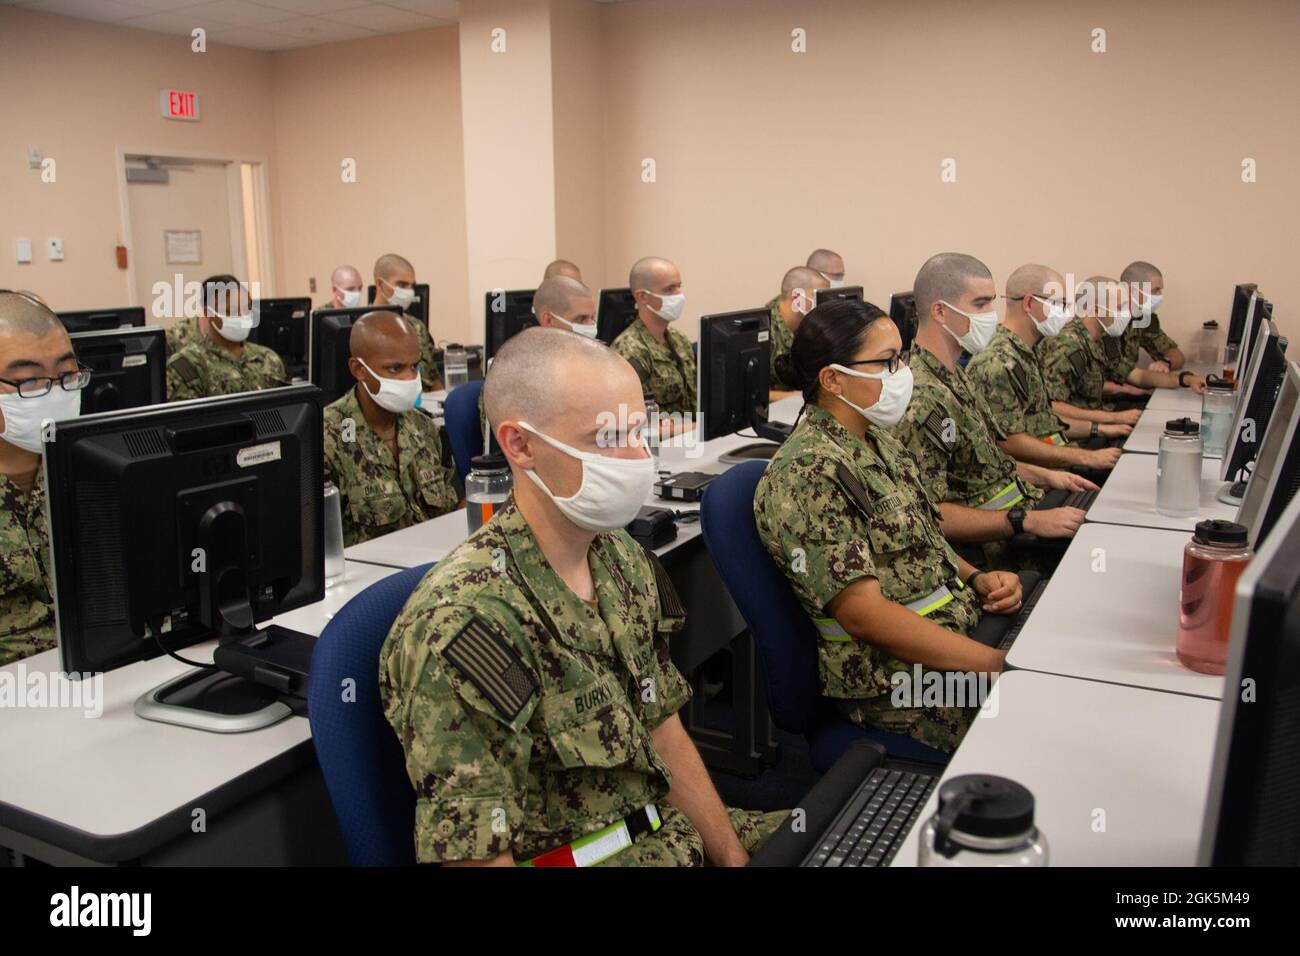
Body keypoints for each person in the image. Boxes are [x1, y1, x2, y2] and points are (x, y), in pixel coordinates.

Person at [380, 327, 788, 866]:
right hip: (591, 854)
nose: (634, 458)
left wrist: (732, 859)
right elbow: (478, 852)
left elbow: (661, 726)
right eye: (606, 437)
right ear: (519, 445)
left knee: (862, 834)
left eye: (638, 431)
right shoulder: (467, 625)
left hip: (665, 832)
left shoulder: (620, 556)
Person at [754, 300, 1021, 754]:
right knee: (1048, 722)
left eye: (900, 358)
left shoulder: (878, 442)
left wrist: (975, 576)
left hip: (952, 638)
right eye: (885, 362)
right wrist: (996, 665)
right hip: (894, 686)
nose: (901, 372)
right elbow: (864, 615)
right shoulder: (807, 472)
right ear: (832, 379)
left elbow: (924, 535)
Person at [895, 254, 1096, 571]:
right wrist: (1026, 521)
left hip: (1020, 522)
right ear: (940, 311)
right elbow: (932, 514)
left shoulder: (955, 378)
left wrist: (1049, 476)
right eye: (980, 304)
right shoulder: (923, 398)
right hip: (995, 555)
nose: (992, 315)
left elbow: (985, 466)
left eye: (991, 303)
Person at [966, 264, 1127, 472]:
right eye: (1059, 304)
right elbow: (1008, 441)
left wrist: (1099, 430)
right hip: (1034, 474)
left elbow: (1044, 420)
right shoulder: (997, 361)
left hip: (1053, 458)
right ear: (1030, 303)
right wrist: (1084, 456)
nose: (1065, 312)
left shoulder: (1024, 350)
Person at [0, 291, 87, 665]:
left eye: (67, 375)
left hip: (100, 680)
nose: (55, 393)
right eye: (29, 382)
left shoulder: (91, 471)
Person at [323, 311, 461, 547]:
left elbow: (451, 507)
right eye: (395, 369)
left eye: (414, 366)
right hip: (371, 577)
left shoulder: (425, 428)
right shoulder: (328, 438)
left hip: (431, 563)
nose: (410, 378)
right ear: (359, 369)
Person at [1039, 276, 1206, 424]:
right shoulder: (1067, 345)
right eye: (1120, 308)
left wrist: (1186, 380)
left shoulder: (1102, 339)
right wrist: (1113, 419)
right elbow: (1053, 405)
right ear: (1096, 310)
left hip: (1097, 421)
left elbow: (1136, 375)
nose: (1127, 314)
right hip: (1077, 433)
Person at [165, 275, 288, 402]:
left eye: (246, 309)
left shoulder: (269, 358)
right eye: (232, 311)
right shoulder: (187, 365)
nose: (242, 317)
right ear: (209, 313)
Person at [612, 256, 696, 422]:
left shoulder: (680, 340)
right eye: (669, 289)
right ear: (642, 296)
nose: (679, 295)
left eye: (679, 287)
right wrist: (698, 428)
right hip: (659, 445)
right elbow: (638, 424)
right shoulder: (629, 349)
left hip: (691, 439)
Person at [372, 253, 440, 392]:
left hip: (421, 402)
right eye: (402, 284)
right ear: (380, 284)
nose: (409, 292)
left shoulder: (416, 326)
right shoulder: (362, 327)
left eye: (411, 286)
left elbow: (432, 379)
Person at [1111, 260, 1185, 376]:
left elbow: (1176, 354)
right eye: (1155, 290)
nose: (1160, 295)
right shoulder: (1105, 317)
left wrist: (1166, 363)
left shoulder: (1142, 317)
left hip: (1131, 386)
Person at [766, 266, 828, 397]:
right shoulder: (765, 330)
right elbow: (745, 393)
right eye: (817, 295)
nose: (823, 303)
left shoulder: (813, 325)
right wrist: (793, 397)